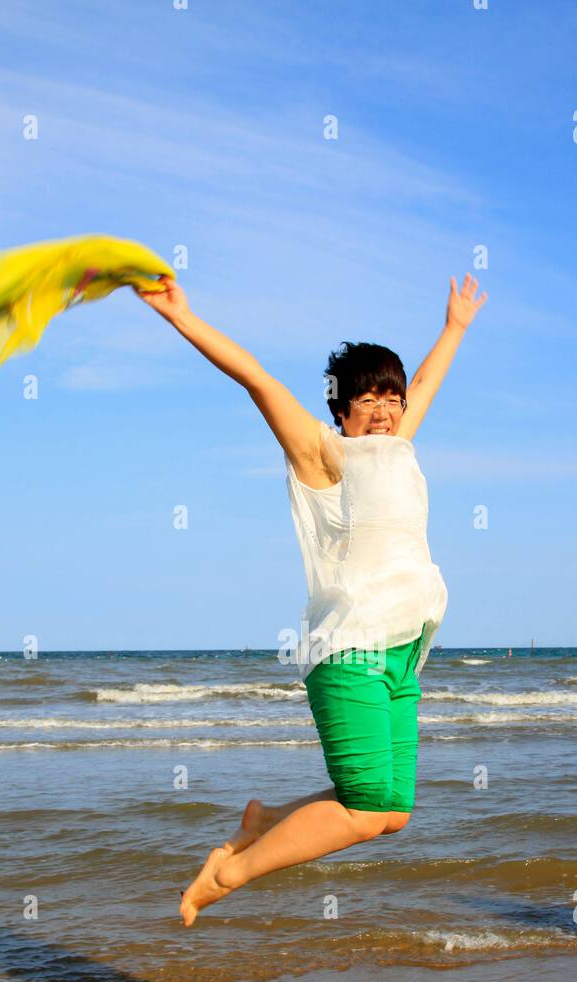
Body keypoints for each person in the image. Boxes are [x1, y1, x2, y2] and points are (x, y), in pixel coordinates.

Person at [135, 272, 487, 923]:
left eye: (392, 396)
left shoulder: (400, 448)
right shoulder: (324, 455)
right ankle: (228, 872)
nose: (383, 408)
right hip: (352, 651)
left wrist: (455, 328)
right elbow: (259, 380)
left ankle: (265, 819)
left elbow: (428, 385)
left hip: (403, 654)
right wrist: (183, 318)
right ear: (341, 412)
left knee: (393, 813)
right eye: (367, 399)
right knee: (364, 808)